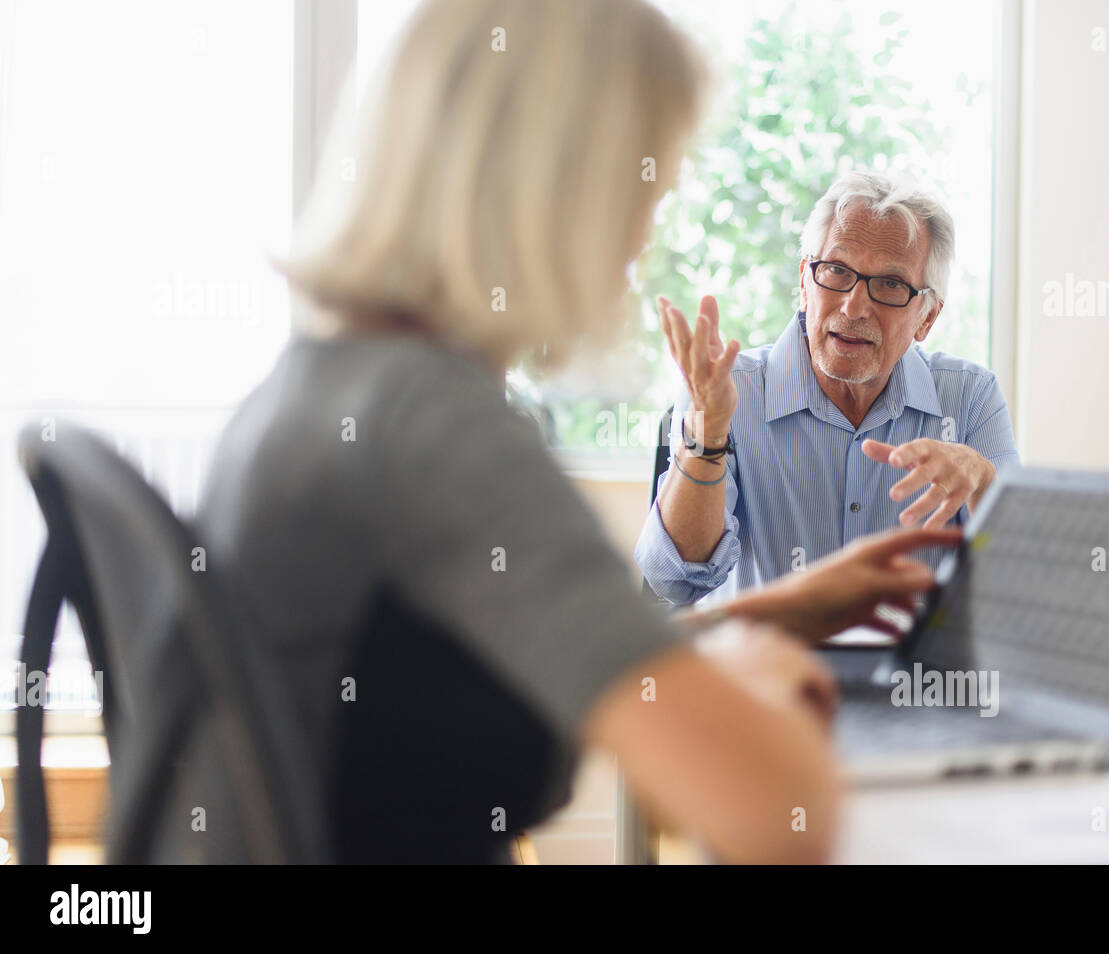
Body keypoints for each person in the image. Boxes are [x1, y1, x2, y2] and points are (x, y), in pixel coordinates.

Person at [196, 0, 957, 864]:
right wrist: (754, 678)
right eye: (645, 190)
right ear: (559, 192)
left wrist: (780, 609)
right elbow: (783, 805)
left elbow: (578, 653)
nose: (639, 239)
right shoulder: (438, 430)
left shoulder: (325, 383)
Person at [635, 171, 1019, 606]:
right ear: (804, 281)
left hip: (916, 675)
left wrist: (987, 485)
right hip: (764, 670)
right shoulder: (720, 390)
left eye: (890, 284)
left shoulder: (969, 399)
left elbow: (1025, 585)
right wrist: (707, 438)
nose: (855, 307)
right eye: (836, 270)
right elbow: (674, 579)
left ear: (926, 318)